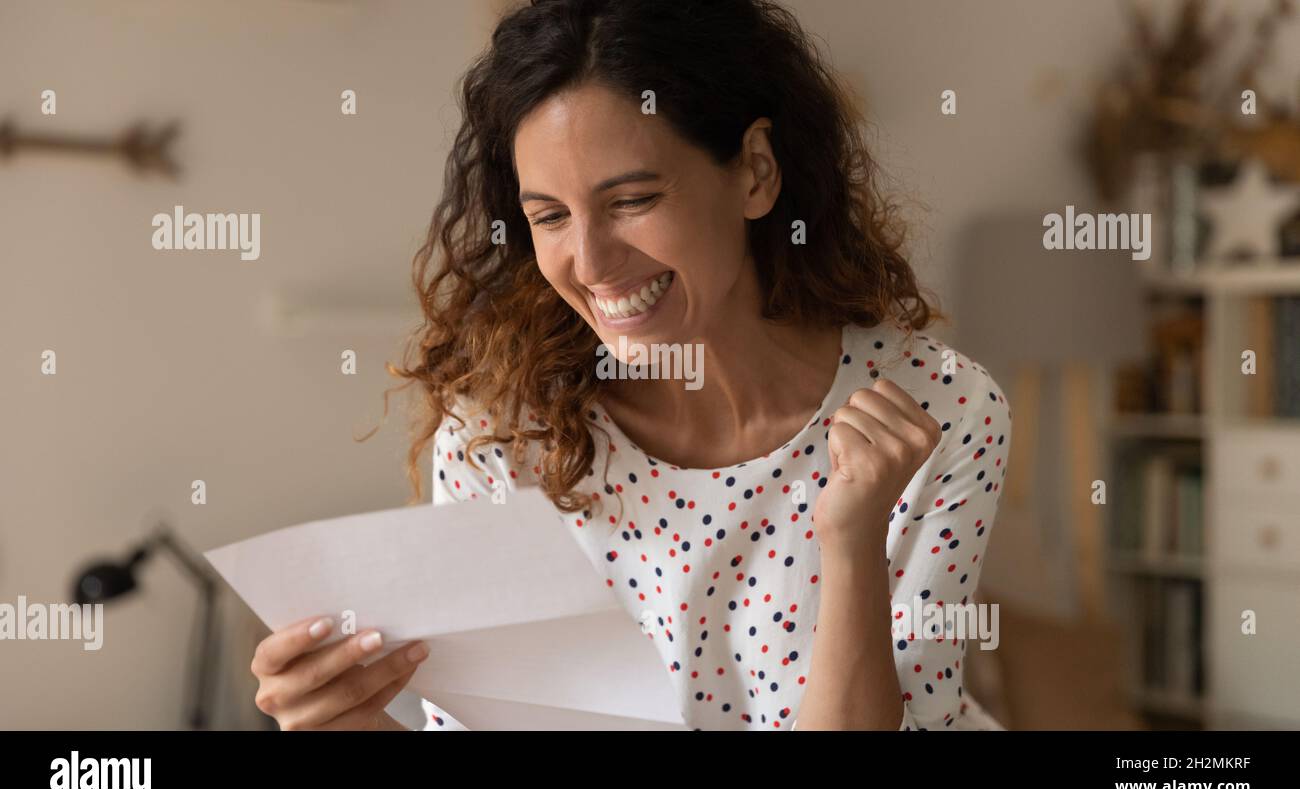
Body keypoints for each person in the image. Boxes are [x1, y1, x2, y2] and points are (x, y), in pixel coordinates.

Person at [252, 0, 1011, 732]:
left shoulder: (937, 411)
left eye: (632, 200)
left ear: (754, 172)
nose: (590, 262)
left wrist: (850, 544)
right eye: (550, 216)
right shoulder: (501, 435)